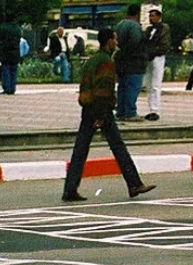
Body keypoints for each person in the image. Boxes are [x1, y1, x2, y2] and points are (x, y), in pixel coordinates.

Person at [62, 28, 155, 202]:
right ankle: (134, 183)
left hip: (89, 107)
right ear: (109, 41)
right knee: (118, 146)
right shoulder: (105, 62)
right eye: (115, 39)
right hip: (100, 109)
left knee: (81, 149)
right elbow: (103, 89)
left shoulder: (92, 60)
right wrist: (101, 115)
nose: (117, 42)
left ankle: (70, 188)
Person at [113, 4, 145, 119]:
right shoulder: (134, 26)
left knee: (122, 87)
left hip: (121, 62)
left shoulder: (120, 25)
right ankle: (130, 112)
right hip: (134, 62)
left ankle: (121, 111)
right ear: (138, 14)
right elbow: (135, 41)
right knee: (133, 86)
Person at [143, 8, 170, 121]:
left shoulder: (163, 28)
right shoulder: (149, 30)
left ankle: (155, 109)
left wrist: (154, 52)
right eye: (150, 16)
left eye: (153, 16)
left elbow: (164, 44)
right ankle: (151, 108)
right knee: (149, 85)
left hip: (157, 57)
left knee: (155, 84)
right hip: (149, 57)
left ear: (158, 17)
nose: (151, 18)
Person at [0, 18, 23, 95]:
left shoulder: (2, 27)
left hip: (5, 51)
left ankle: (6, 88)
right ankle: (12, 88)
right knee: (13, 70)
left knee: (6, 69)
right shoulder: (17, 28)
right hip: (15, 51)